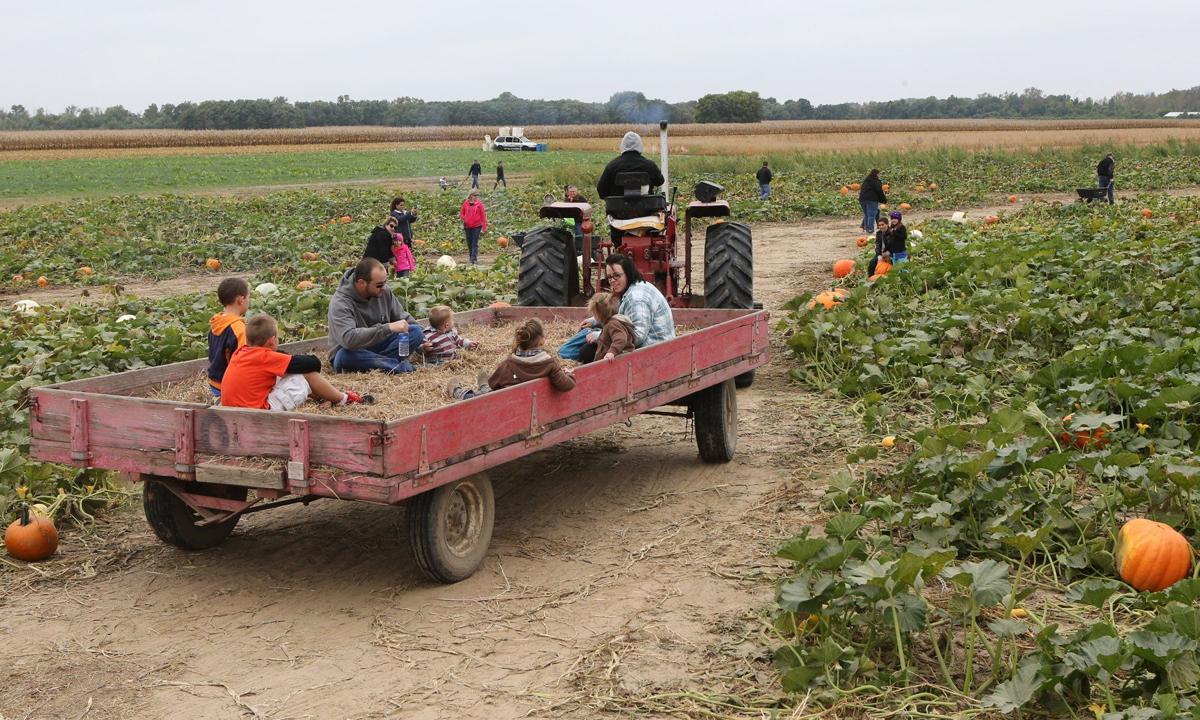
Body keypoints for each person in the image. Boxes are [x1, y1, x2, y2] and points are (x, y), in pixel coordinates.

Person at [221, 314, 364, 411]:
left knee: (281, 374)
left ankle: (323, 396)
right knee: (305, 374)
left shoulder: (239, 353)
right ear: (271, 340)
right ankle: (344, 399)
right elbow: (312, 363)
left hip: (232, 412)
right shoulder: (265, 357)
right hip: (258, 413)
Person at [327, 258, 427, 374]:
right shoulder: (340, 303)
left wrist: (425, 340)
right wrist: (387, 327)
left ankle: (384, 364)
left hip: (380, 347)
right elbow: (348, 339)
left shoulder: (384, 291)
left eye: (385, 282)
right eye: (379, 285)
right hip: (355, 351)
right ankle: (398, 366)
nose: (384, 288)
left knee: (415, 331)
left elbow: (402, 317)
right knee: (344, 356)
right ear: (361, 283)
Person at [575, 253, 674, 363]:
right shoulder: (632, 287)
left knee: (587, 351)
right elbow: (622, 311)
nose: (612, 281)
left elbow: (638, 336)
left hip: (655, 350)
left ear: (627, 273)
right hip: (651, 344)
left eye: (617, 275)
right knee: (588, 340)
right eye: (609, 277)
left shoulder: (637, 299)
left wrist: (601, 336)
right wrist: (595, 320)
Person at [447, 318, 575, 400]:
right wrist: (569, 375)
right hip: (527, 402)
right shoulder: (550, 363)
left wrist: (489, 384)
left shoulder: (508, 364)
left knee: (483, 395)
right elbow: (567, 385)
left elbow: (494, 383)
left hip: (506, 403)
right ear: (541, 341)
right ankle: (483, 385)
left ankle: (460, 393)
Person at [596, 132, 665, 245]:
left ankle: (619, 248)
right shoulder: (649, 165)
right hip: (646, 214)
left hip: (619, 217)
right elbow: (660, 181)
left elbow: (601, 191)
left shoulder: (612, 166)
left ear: (622, 146)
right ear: (640, 146)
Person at [207, 277, 250, 399]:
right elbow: (243, 363)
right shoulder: (238, 329)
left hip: (215, 383)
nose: (248, 301)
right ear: (241, 300)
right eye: (248, 297)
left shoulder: (215, 323)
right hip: (230, 387)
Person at [588, 291, 636, 362]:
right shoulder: (609, 323)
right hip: (606, 359)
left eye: (594, 314)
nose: (594, 317)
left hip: (617, 360)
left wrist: (612, 352)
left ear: (600, 314)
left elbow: (621, 339)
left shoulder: (613, 324)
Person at [459, 190, 488, 264]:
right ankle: (470, 256)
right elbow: (461, 213)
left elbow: (483, 216)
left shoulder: (479, 204)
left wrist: (484, 227)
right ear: (471, 195)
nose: (476, 197)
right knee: (469, 242)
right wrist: (465, 218)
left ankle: (473, 258)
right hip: (467, 226)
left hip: (477, 226)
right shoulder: (465, 203)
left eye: (477, 195)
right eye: (475, 195)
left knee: (474, 242)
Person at [858, 169, 887, 233]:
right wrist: (884, 200)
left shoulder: (866, 180)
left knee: (867, 214)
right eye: (879, 174)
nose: (880, 175)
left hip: (862, 199)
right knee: (871, 215)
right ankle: (870, 229)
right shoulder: (876, 181)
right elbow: (879, 191)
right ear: (876, 174)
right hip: (871, 200)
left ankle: (866, 228)